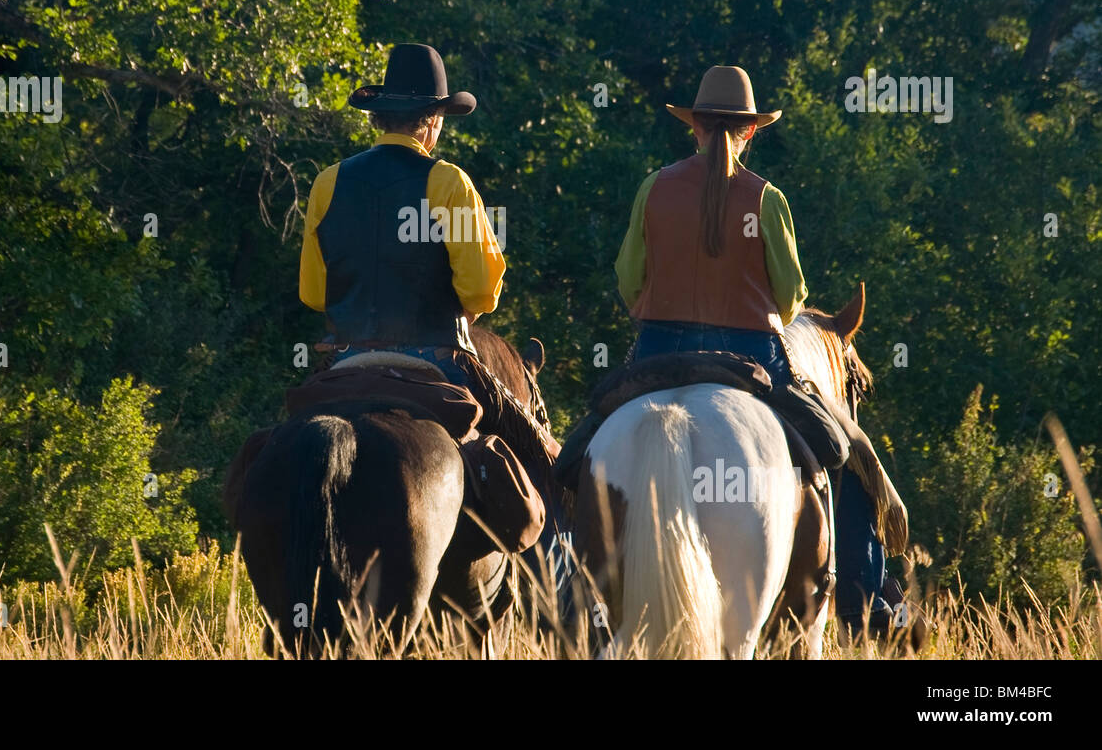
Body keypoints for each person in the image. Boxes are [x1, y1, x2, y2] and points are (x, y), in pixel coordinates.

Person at [613, 65, 898, 638]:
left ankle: (566, 585)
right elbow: (792, 298)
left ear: (694, 127)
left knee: (578, 455)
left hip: (656, 351)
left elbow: (627, 279)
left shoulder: (654, 186)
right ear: (750, 131)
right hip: (753, 357)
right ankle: (869, 602)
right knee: (843, 456)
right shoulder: (767, 199)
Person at [298, 41, 561, 486]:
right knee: (542, 458)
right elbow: (480, 290)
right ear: (433, 122)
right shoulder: (449, 181)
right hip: (439, 356)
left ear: (379, 116)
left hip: (347, 356)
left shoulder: (328, 182)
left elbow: (313, 293)